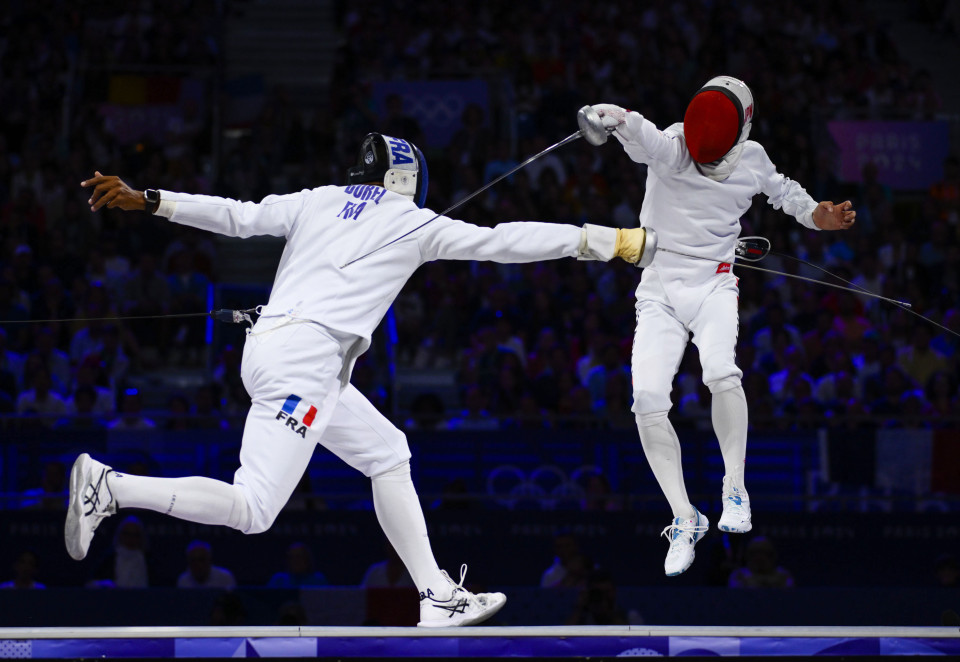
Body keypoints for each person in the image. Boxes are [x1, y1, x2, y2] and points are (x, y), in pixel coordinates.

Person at [67, 132, 654, 628]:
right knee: (253, 508)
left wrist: (151, 199)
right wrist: (606, 241)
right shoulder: (413, 221)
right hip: (305, 365)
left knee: (388, 453)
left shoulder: (318, 199)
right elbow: (503, 241)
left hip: (276, 350)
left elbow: (238, 216)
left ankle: (436, 595)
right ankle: (110, 488)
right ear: (405, 178)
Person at [588, 75, 856, 576]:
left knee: (720, 371)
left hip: (714, 285)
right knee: (646, 399)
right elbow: (641, 135)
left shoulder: (752, 158)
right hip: (660, 290)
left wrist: (820, 215)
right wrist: (615, 117)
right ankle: (685, 517)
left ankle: (736, 488)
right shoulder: (673, 145)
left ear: (741, 129)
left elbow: (788, 196)